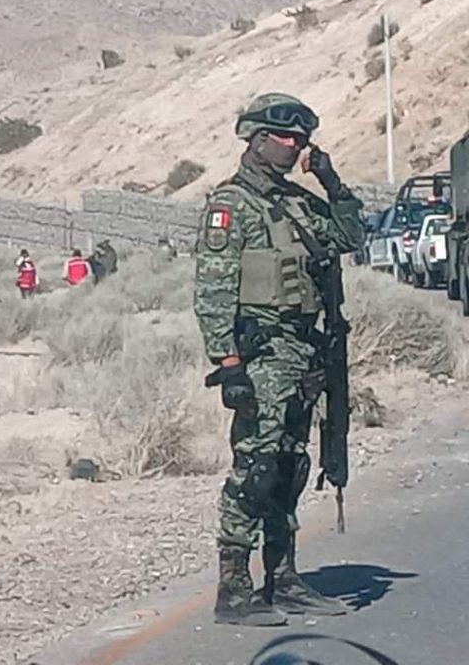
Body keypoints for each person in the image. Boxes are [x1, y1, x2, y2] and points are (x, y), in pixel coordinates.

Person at [192, 93, 364, 627]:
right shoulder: (231, 206)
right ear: (257, 139)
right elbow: (213, 292)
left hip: (302, 354)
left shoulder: (298, 203)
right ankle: (234, 587)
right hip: (260, 354)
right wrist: (228, 364)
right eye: (285, 137)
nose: (296, 146)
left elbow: (351, 237)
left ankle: (284, 577)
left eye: (302, 138)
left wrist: (332, 183)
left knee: (290, 466)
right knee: (256, 468)